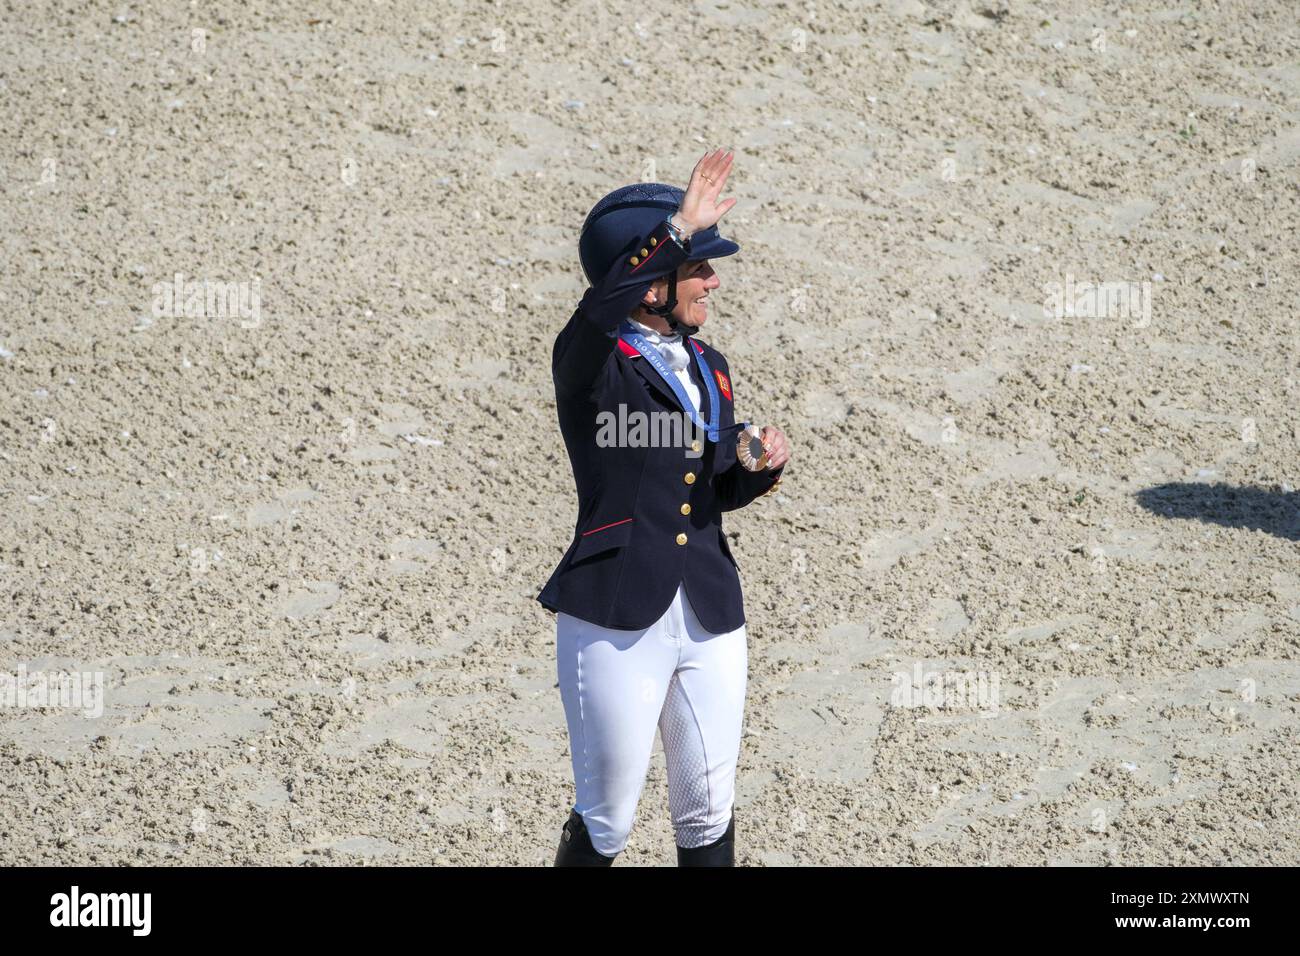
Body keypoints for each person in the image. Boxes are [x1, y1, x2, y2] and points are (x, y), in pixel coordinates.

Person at [538, 150, 790, 866]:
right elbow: (597, 310)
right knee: (609, 818)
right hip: (616, 615)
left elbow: (711, 488)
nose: (711, 280)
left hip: (710, 613)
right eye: (697, 266)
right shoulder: (592, 362)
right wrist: (676, 229)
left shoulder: (708, 365)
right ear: (649, 285)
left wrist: (756, 464)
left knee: (707, 811)